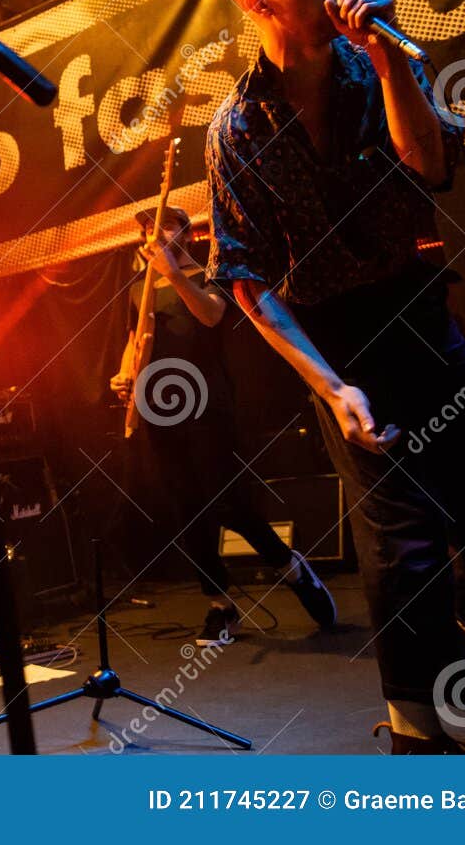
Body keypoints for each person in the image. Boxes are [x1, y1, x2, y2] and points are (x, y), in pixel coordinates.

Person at [205, 0, 465, 754]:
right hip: (337, 339)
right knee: (402, 536)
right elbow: (248, 280)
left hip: (416, 309)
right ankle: (415, 728)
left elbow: (430, 166)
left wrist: (388, 62)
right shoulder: (236, 130)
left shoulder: (371, 70)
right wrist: (331, 385)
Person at [110, 205, 336, 647]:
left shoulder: (206, 274)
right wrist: (123, 376)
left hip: (205, 402)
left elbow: (212, 316)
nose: (150, 233)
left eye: (163, 226)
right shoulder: (137, 287)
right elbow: (135, 340)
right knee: (185, 509)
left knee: (229, 503)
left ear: (186, 235)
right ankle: (220, 605)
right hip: (159, 408)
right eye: (143, 229)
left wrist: (172, 274)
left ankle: (289, 566)